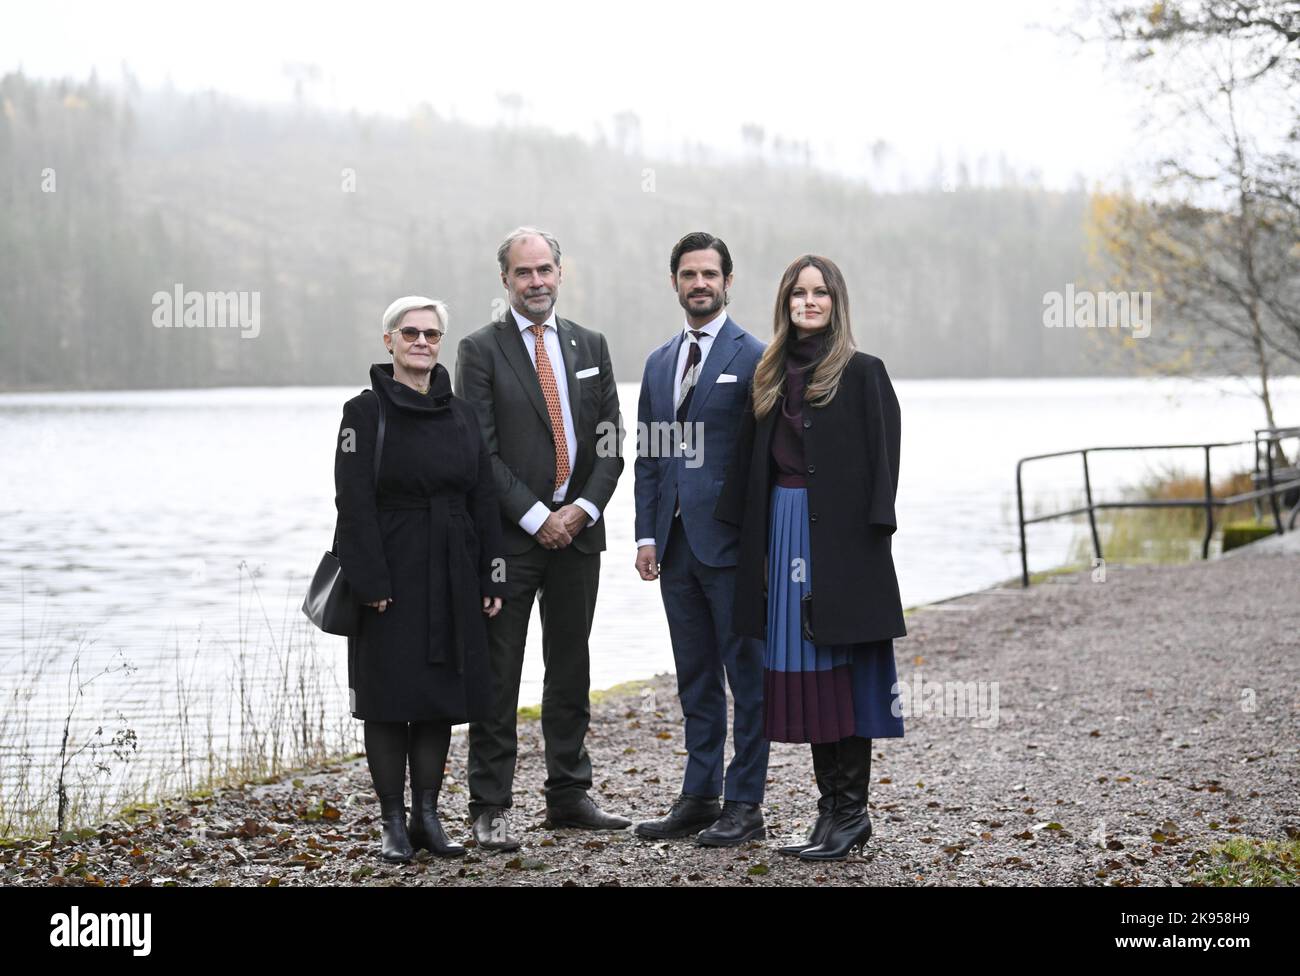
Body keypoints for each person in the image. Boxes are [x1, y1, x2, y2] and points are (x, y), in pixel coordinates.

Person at [714, 255, 906, 861]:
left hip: (842, 548)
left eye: (820, 292)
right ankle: (830, 814)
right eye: (799, 293)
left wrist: (867, 548)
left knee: (844, 677)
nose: (810, 301)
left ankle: (852, 814)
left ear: (836, 302)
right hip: (783, 534)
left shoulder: (863, 372)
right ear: (785, 303)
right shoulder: (768, 376)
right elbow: (749, 471)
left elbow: (885, 467)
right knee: (815, 684)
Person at [454, 227, 628, 851]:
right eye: (523, 272)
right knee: (498, 675)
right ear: (505, 280)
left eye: (545, 270)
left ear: (561, 272)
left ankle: (568, 795)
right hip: (509, 541)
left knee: (570, 664)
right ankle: (490, 805)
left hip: (580, 536)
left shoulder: (591, 344)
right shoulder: (479, 351)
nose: (536, 282)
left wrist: (580, 510)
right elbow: (480, 453)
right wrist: (536, 516)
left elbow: (610, 441)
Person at [334, 295, 505, 863]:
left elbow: (484, 497)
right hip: (389, 573)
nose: (422, 342)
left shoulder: (459, 414)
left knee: (436, 697)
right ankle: (391, 822)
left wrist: (491, 577)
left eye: (432, 334)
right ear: (389, 341)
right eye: (410, 333)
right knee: (387, 699)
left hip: (453, 567)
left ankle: (427, 815)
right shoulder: (362, 414)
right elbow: (352, 504)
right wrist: (370, 581)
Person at [631, 232, 770, 846]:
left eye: (710, 274)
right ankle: (699, 795)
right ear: (675, 283)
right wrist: (645, 535)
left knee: (749, 676)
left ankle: (746, 804)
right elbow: (650, 457)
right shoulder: (660, 362)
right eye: (689, 274)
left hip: (734, 547)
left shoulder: (757, 356)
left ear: (728, 281)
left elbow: (766, 458)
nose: (700, 284)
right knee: (694, 676)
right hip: (676, 545)